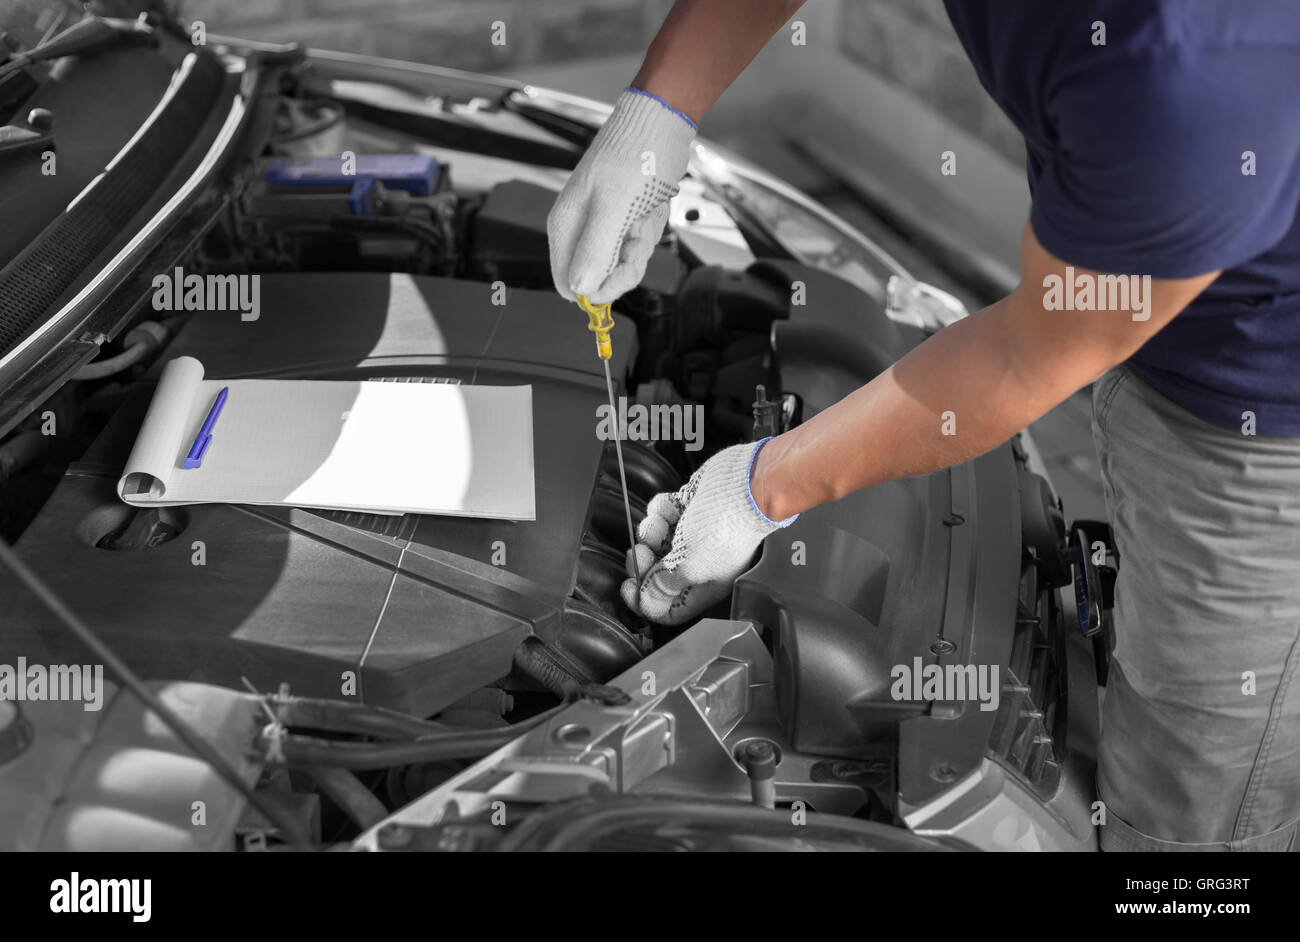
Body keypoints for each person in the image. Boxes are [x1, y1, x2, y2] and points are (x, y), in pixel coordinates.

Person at [546, 0, 1300, 851]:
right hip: (1169, 302)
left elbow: (1023, 359)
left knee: (1188, 815)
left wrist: (760, 490)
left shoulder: (1194, 64)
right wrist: (662, 108)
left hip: (1261, 428)